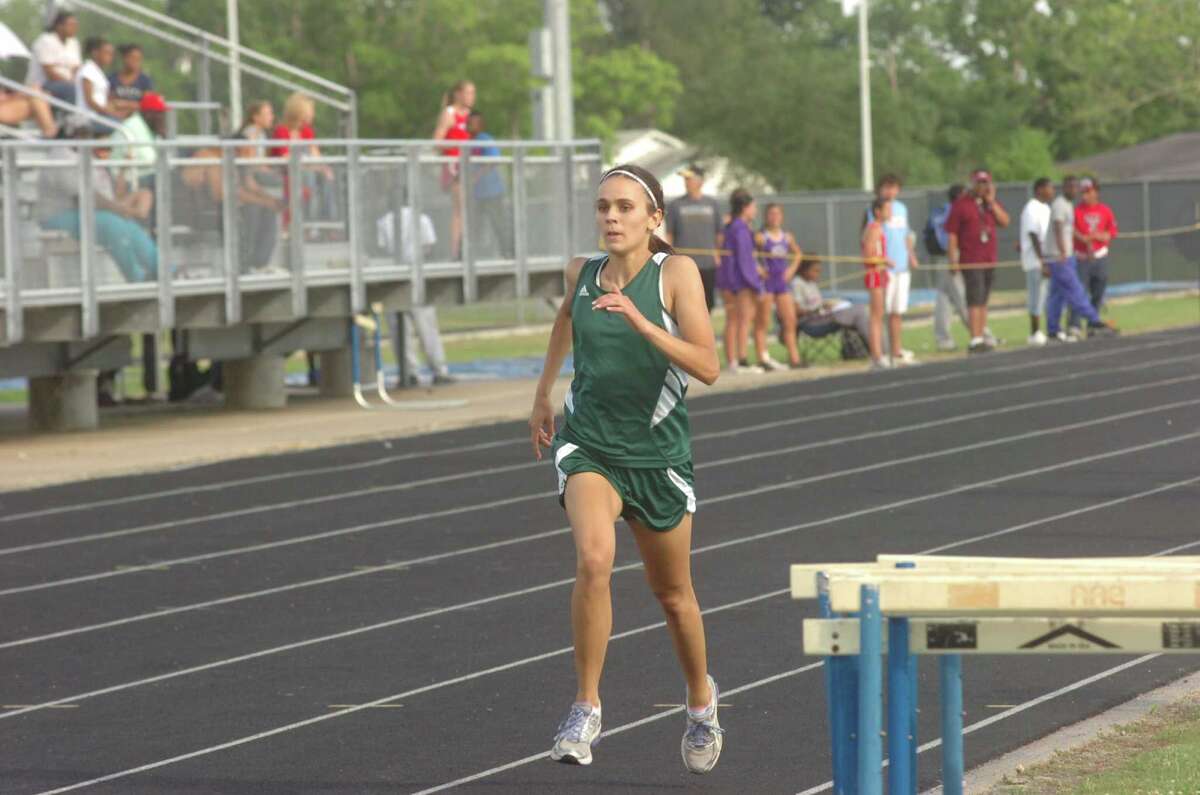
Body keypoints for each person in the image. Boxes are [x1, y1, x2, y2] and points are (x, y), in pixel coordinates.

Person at [529, 163, 724, 774]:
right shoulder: (582, 274)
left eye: (624, 208)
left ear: (653, 219)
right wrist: (543, 391)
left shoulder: (677, 275)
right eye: (602, 207)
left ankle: (700, 703)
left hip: (657, 456)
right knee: (593, 559)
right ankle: (586, 706)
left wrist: (642, 322)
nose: (611, 217)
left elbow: (709, 366)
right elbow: (566, 317)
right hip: (590, 444)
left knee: (673, 595)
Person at [38, 132, 159, 283]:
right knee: (112, 223)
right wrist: (120, 210)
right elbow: (87, 198)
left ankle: (165, 271)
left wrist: (123, 171)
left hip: (92, 214)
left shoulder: (92, 156)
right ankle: (138, 278)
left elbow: (112, 197)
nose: (104, 140)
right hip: (58, 217)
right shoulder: (61, 155)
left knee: (129, 225)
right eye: (97, 134)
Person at [1044, 175, 1118, 342]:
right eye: (1072, 187)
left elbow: (1069, 230)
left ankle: (1053, 330)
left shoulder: (1069, 205)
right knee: (1075, 290)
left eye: (1077, 188)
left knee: (1056, 295)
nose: (1077, 192)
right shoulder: (1061, 205)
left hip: (1066, 256)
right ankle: (1094, 321)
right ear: (1064, 188)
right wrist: (1063, 251)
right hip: (1061, 257)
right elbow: (1058, 227)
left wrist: (1088, 239)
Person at [944, 168, 1010, 354]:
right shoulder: (961, 205)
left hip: (989, 258)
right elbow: (952, 234)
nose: (982, 186)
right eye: (979, 183)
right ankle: (975, 338)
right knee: (974, 299)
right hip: (971, 259)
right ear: (972, 183)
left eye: (985, 183)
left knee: (983, 300)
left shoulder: (989, 204)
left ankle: (981, 335)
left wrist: (991, 202)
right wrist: (953, 260)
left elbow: (1005, 221)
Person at [926, 185, 995, 351]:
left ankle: (943, 339)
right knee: (966, 298)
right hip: (954, 256)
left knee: (943, 299)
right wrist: (953, 260)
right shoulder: (958, 209)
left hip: (942, 257)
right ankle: (980, 335)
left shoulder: (941, 210)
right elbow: (951, 236)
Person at [866, 174, 919, 363]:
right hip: (883, 270)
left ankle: (896, 350)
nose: (890, 192)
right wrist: (882, 261)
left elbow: (906, 234)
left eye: (894, 187)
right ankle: (879, 353)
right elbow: (869, 245)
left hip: (901, 266)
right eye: (886, 187)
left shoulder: (902, 209)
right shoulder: (874, 215)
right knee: (880, 313)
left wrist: (911, 255)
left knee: (897, 311)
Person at [717, 188, 767, 374]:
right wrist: (756, 283)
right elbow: (744, 260)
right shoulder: (740, 228)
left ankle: (734, 361)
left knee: (734, 319)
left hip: (730, 279)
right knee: (741, 320)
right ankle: (740, 360)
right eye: (753, 206)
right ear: (745, 207)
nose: (755, 210)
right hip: (737, 282)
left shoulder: (735, 226)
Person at [271, 92, 336, 232]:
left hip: (304, 169)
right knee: (309, 176)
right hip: (286, 173)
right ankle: (307, 224)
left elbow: (315, 154)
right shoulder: (281, 131)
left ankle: (327, 222)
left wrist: (324, 169)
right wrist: (308, 164)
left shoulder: (307, 131)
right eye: (310, 111)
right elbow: (285, 157)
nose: (312, 114)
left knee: (326, 177)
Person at [664, 164, 723, 311]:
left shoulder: (712, 204)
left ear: (700, 181)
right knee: (684, 303)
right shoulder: (675, 205)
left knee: (707, 303)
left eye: (689, 179)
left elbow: (719, 233)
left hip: (707, 262)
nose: (686, 182)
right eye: (685, 179)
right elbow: (669, 233)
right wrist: (668, 255)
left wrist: (717, 252)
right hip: (684, 264)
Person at [432, 80, 475, 260]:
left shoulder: (472, 116)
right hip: (454, 167)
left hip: (469, 166)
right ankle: (456, 252)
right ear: (458, 94)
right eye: (468, 93)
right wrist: (456, 146)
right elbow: (437, 141)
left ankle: (465, 248)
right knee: (459, 208)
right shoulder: (449, 114)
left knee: (467, 208)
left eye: (473, 93)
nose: (471, 97)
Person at [756, 203, 802, 368]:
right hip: (767, 282)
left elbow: (798, 254)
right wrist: (759, 269)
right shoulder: (761, 236)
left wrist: (791, 270)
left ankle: (794, 358)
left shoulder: (786, 236)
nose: (774, 217)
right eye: (771, 214)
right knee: (763, 321)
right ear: (766, 216)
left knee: (790, 320)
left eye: (777, 214)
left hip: (782, 282)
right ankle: (763, 358)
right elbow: (749, 255)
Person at [1070, 177, 1118, 331]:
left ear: (1096, 192)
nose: (1085, 195)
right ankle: (1074, 324)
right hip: (1082, 257)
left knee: (1098, 290)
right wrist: (1084, 239)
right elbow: (1071, 230)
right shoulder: (1076, 211)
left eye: (1088, 192)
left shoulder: (1105, 210)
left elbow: (1111, 232)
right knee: (1078, 291)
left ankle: (1093, 321)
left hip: (1100, 256)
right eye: (1083, 192)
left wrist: (1100, 236)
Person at [466, 110, 514, 259]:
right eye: (470, 122)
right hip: (477, 194)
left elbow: (493, 160)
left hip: (492, 191)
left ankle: (509, 253)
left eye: (474, 122)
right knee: (475, 227)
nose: (471, 125)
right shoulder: (468, 142)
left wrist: (475, 177)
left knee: (499, 223)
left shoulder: (485, 139)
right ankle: (473, 256)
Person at [792, 258, 872, 342]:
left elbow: (817, 303)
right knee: (860, 312)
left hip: (825, 316)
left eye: (819, 271)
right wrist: (815, 310)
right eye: (815, 271)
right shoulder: (797, 284)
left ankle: (873, 348)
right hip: (812, 322)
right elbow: (797, 310)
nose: (818, 274)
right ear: (804, 270)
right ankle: (877, 349)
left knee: (860, 312)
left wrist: (828, 305)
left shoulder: (812, 284)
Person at [1019, 178, 1054, 346]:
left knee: (1046, 295)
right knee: (1036, 296)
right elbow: (1033, 235)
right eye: (1049, 188)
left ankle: (1049, 329)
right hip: (1035, 261)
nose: (1052, 191)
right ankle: (1034, 332)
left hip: (1048, 258)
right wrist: (1042, 261)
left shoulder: (1046, 208)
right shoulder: (1031, 208)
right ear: (1040, 189)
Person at [860, 197, 892, 368]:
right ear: (878, 212)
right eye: (887, 209)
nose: (890, 213)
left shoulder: (879, 228)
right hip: (875, 275)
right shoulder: (873, 229)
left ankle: (879, 354)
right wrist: (885, 261)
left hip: (881, 274)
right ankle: (876, 355)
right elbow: (868, 255)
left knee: (879, 315)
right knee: (876, 316)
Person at [75, 37, 130, 131]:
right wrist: (109, 113)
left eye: (112, 54)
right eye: (107, 53)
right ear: (95, 53)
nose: (110, 57)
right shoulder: (87, 70)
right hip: (89, 117)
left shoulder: (99, 73)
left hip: (100, 115)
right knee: (124, 127)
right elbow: (90, 101)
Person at [29, 11, 80, 104]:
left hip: (68, 85)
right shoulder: (46, 40)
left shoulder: (74, 43)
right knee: (71, 90)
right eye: (71, 25)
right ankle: (66, 116)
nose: (74, 28)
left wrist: (73, 81)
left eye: (76, 25)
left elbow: (76, 68)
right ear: (59, 26)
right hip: (44, 85)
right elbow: (49, 72)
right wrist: (69, 83)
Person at [107, 44, 153, 113]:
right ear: (124, 58)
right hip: (115, 116)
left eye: (138, 59)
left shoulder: (144, 80)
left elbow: (148, 104)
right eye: (132, 58)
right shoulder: (112, 78)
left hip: (137, 117)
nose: (135, 62)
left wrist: (125, 104)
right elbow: (109, 101)